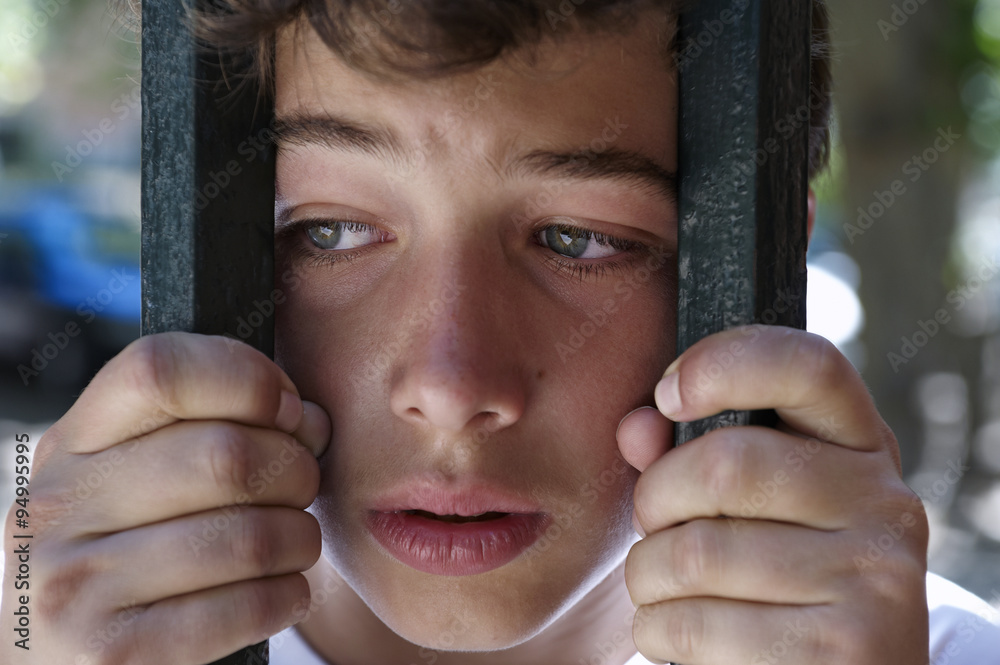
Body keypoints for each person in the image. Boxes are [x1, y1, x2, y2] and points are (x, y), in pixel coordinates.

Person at [3, 0, 1000, 663]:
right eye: (330, 231)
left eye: (579, 240)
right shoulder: (37, 627)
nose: (450, 385)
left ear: (762, 261)